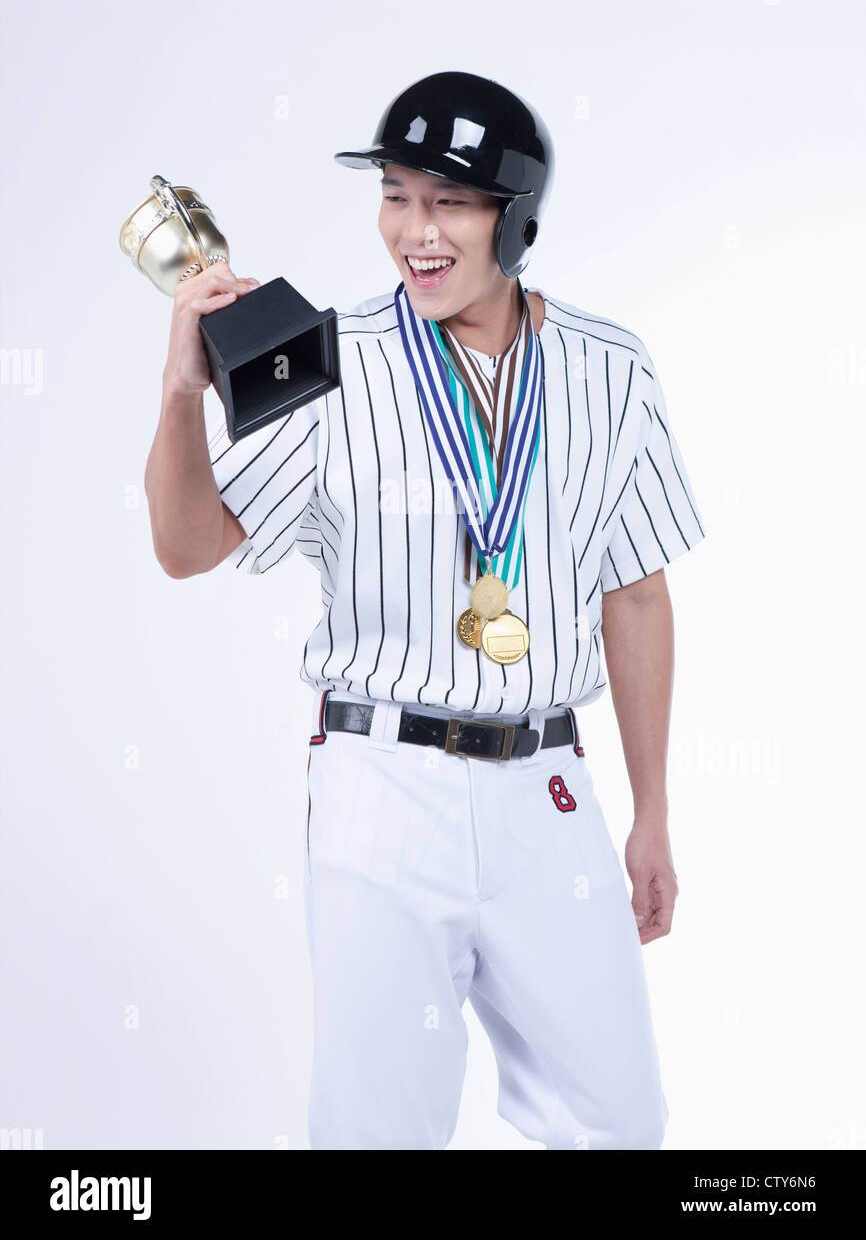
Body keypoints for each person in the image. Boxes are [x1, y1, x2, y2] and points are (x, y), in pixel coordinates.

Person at [144, 71, 706, 1150]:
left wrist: (651, 809)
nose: (414, 230)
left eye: (447, 200)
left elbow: (635, 592)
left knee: (619, 1122)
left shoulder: (609, 371)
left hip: (548, 786)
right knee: (375, 1132)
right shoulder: (327, 357)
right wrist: (179, 393)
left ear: (515, 217)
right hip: (382, 784)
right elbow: (187, 546)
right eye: (395, 196)